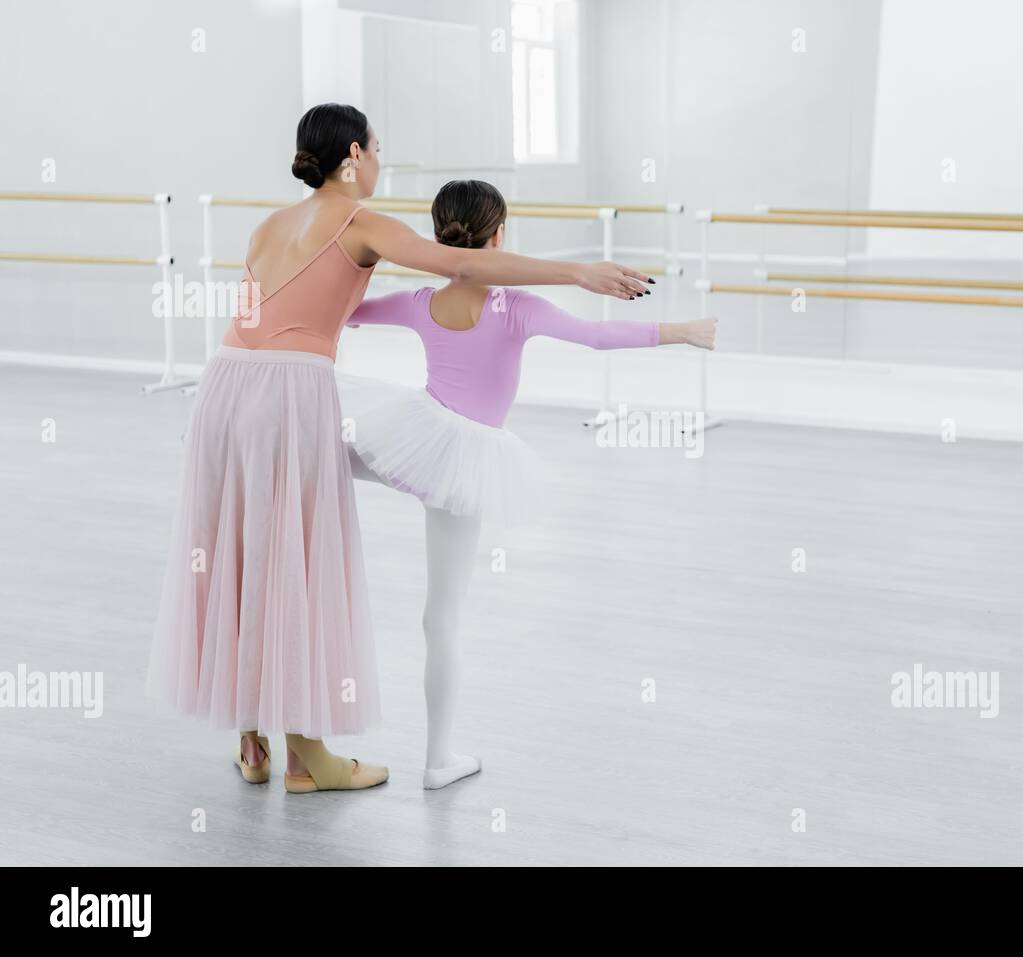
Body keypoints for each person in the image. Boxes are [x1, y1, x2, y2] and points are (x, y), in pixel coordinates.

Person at [147, 105, 651, 794]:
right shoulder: (361, 222)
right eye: (378, 148)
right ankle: (307, 757)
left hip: (226, 382)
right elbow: (461, 261)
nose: (381, 161)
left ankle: (253, 740)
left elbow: (273, 315)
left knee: (242, 549)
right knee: (298, 556)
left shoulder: (269, 226)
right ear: (354, 154)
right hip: (290, 389)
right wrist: (579, 273)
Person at [338, 179, 717, 788]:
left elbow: (348, 314)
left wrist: (333, 267)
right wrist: (684, 330)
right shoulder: (515, 308)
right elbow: (598, 337)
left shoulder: (418, 301)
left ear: (440, 237)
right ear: (500, 236)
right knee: (443, 616)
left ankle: (280, 451)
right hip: (461, 463)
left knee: (342, 453)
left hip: (416, 436)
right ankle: (438, 761)